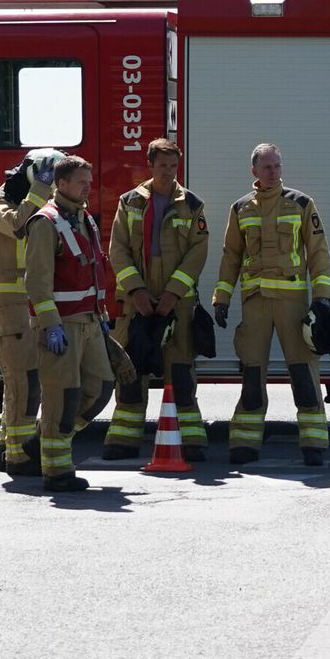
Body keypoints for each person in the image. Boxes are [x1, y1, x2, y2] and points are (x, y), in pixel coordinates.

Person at [213, 143, 330, 467]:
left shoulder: (301, 204)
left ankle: (313, 444)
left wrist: (322, 299)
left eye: (278, 166)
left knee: (304, 375)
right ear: (254, 171)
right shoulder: (241, 208)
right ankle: (245, 443)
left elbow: (318, 253)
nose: (274, 172)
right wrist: (221, 298)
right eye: (267, 167)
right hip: (255, 304)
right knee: (252, 376)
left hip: (293, 303)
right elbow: (231, 258)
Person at [102, 138, 210, 461]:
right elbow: (117, 250)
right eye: (162, 165)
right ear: (150, 165)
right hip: (136, 306)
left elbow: (197, 253)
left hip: (176, 307)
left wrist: (172, 293)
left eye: (173, 165)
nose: (168, 172)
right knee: (131, 373)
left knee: (180, 374)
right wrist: (136, 291)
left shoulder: (192, 205)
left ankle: (191, 441)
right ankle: (123, 439)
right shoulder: (130, 202)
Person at [24, 156, 114, 493]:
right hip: (63, 325)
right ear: (60, 184)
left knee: (102, 388)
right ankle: (57, 471)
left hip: (90, 321)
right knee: (63, 398)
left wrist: (102, 317)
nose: (87, 186)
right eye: (81, 181)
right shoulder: (45, 223)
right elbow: (37, 283)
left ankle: (41, 440)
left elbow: (94, 270)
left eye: (89, 181)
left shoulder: (84, 218)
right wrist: (50, 324)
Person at [0, 148, 65, 475]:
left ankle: (7, 446)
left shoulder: (36, 201)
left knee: (23, 380)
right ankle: (20, 456)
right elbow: (17, 226)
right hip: (7, 303)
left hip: (27, 302)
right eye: (47, 175)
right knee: (22, 381)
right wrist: (41, 190)